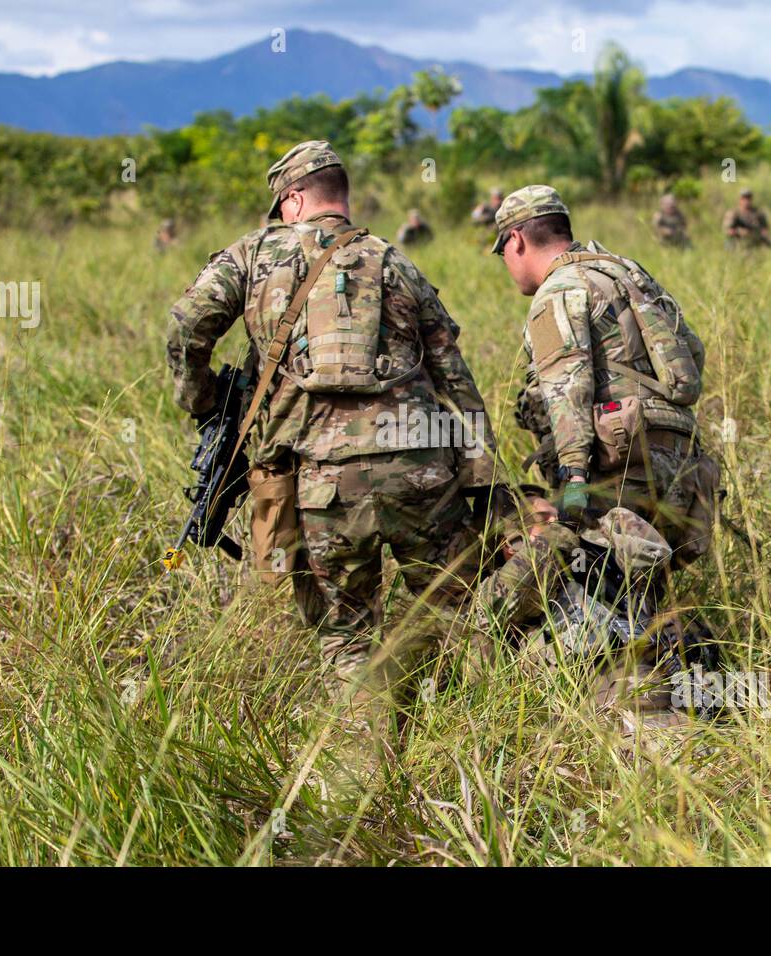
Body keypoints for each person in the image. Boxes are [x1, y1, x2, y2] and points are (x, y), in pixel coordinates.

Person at [165, 140, 497, 729]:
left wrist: (205, 402)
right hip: (423, 471)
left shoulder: (252, 255)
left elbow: (187, 327)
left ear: (293, 200)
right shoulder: (395, 259)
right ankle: (444, 736)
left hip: (323, 484)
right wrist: (478, 470)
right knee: (442, 612)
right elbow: (452, 369)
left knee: (347, 636)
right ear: (341, 197)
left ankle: (367, 765)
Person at [490, 184, 721, 715]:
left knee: (602, 599)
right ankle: (708, 694)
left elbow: (567, 388)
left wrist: (572, 480)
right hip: (680, 460)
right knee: (641, 587)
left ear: (518, 239)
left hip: (617, 466)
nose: (506, 262)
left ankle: (653, 732)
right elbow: (692, 358)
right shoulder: (627, 273)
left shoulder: (558, 291)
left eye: (502, 249)